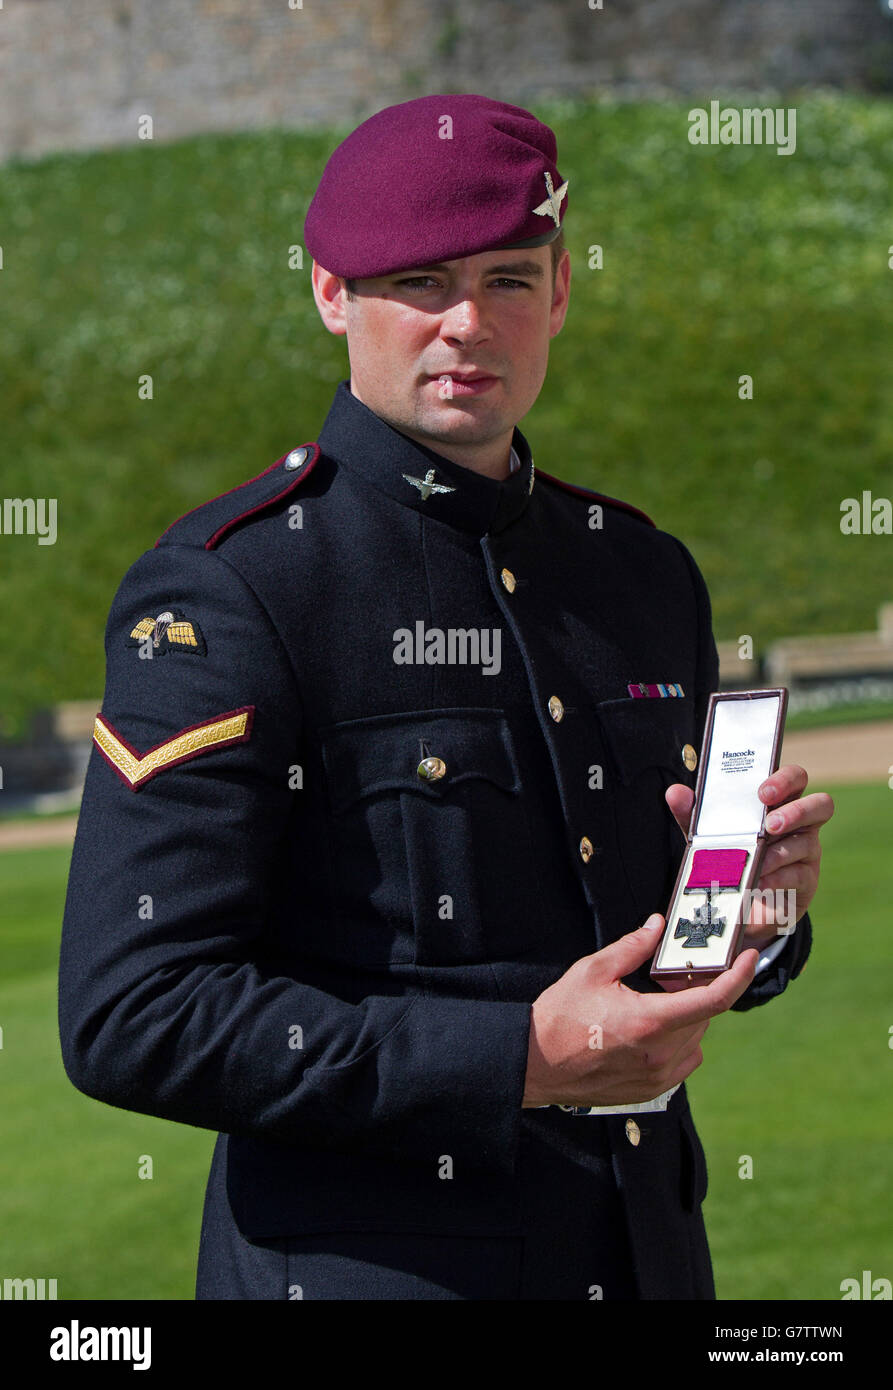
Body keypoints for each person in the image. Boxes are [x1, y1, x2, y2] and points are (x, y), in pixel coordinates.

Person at [58, 93, 833, 1301]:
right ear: (330, 294)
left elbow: (639, 942)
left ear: (561, 294)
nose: (468, 323)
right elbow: (134, 1010)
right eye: (418, 280)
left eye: (509, 278)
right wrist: (514, 1057)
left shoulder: (636, 572)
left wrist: (750, 922)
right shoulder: (237, 587)